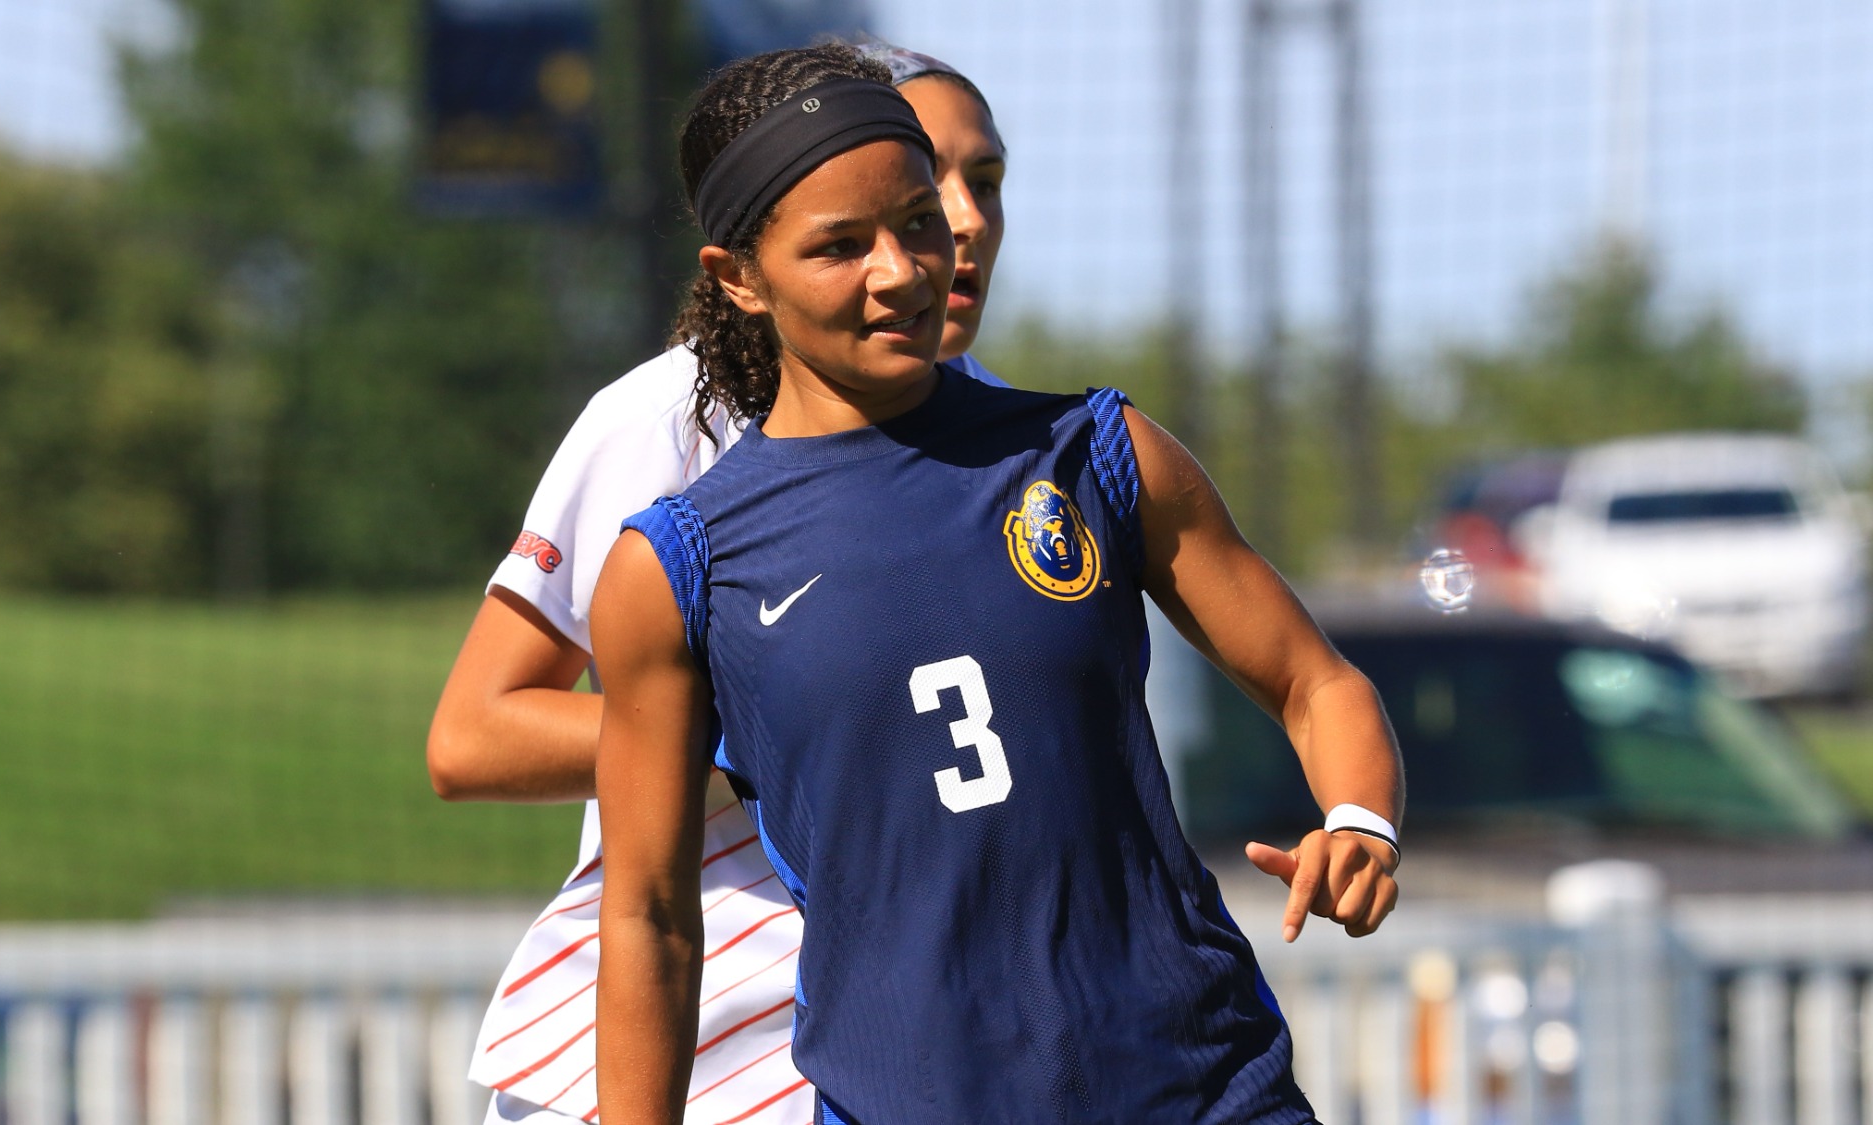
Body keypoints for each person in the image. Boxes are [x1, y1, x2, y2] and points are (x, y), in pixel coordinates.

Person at [590, 45, 1403, 1125]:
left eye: (916, 221)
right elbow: (647, 913)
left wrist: (1358, 819)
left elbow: (1318, 686)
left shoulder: (1096, 451)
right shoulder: (677, 564)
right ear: (740, 277)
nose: (903, 269)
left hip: (1206, 1095)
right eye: (839, 247)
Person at [427, 43, 1010, 1123]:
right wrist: (751, 731)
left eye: (983, 183)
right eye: (931, 181)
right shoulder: (668, 419)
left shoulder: (1011, 446)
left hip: (892, 1054)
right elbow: (472, 736)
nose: (963, 219)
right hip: (666, 1063)